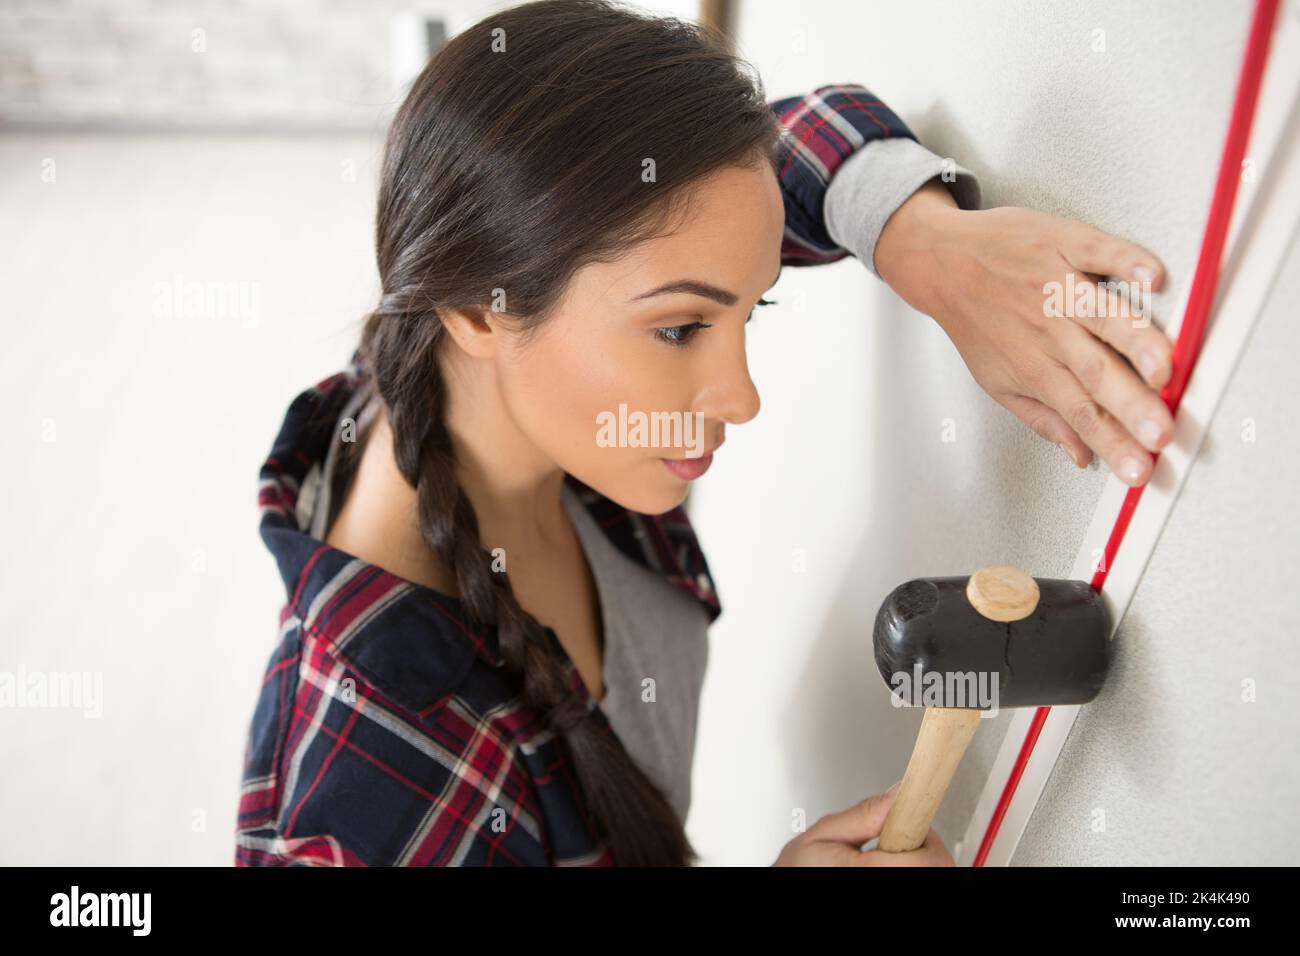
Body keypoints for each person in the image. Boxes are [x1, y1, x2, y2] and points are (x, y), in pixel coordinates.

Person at [236, 0, 1172, 866]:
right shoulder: (372, 787)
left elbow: (777, 155)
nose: (740, 396)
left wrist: (926, 246)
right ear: (477, 308)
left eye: (749, 314)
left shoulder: (454, 376)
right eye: (682, 329)